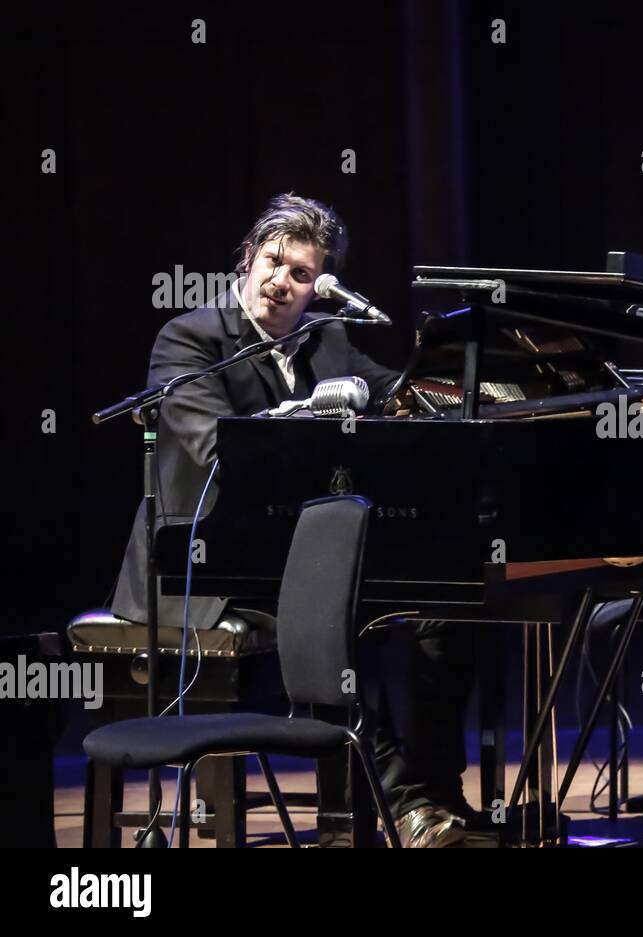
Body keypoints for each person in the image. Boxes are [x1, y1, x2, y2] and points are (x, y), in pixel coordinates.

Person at [110, 193, 472, 846]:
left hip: (290, 556)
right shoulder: (190, 338)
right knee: (337, 618)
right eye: (273, 261)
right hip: (201, 565)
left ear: (319, 288)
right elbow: (219, 448)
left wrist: (465, 383)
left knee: (444, 607)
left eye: (301, 274)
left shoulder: (326, 340)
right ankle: (403, 805)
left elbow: (399, 393)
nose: (281, 281)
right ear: (247, 258)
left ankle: (436, 793)